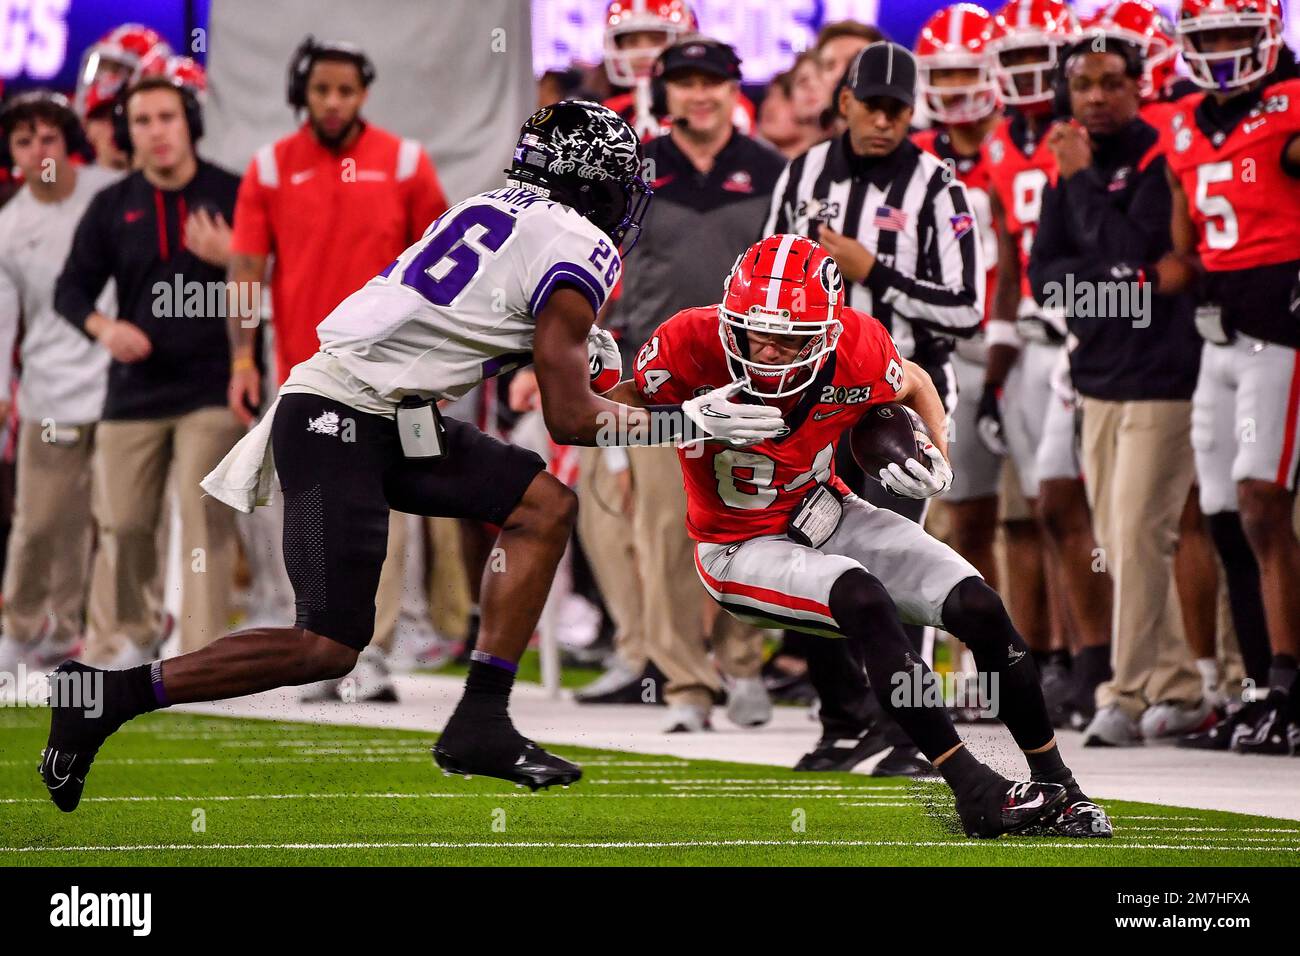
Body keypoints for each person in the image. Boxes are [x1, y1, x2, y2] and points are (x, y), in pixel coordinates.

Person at [39, 101, 786, 811]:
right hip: (342, 413)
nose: (624, 204)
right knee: (326, 646)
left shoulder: (484, 207)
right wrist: (684, 421)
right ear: (588, 185)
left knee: (543, 503)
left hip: (380, 411)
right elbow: (570, 420)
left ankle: (481, 722)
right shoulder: (577, 242)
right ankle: (108, 696)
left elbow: (477, 332)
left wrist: (562, 358)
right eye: (618, 186)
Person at [615, 232, 1110, 839]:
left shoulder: (857, 345)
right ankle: (973, 789)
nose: (767, 350)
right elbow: (599, 419)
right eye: (754, 331)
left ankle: (1061, 785)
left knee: (979, 606)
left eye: (788, 337)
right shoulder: (687, 342)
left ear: (825, 332)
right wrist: (681, 417)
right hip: (738, 545)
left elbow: (917, 382)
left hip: (828, 510)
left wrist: (938, 453)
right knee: (862, 596)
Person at [764, 40, 985, 774]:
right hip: (810, 393)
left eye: (898, 110)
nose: (884, 122)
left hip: (898, 397)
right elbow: (766, 274)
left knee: (895, 557)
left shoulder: (938, 186)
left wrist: (876, 273)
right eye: (872, 106)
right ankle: (844, 717)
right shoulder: (803, 172)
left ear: (912, 112)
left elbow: (966, 310)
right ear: (846, 102)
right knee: (801, 550)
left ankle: (909, 730)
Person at [227, 36, 449, 701]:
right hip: (307, 374)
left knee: (391, 507)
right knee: (309, 510)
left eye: (345, 91)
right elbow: (245, 272)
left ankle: (376, 651)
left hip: (394, 371)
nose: (332, 102)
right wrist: (241, 356)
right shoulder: (270, 168)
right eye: (321, 89)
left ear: (363, 94)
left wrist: (438, 363)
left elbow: (440, 268)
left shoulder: (406, 163)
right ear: (305, 91)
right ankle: (322, 647)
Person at [583, 38, 785, 730]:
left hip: (751, 380)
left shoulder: (771, 171)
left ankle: (745, 662)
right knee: (666, 527)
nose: (700, 94)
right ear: (663, 92)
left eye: (713, 82)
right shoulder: (632, 170)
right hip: (655, 378)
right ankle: (686, 687)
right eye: (685, 82)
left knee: (748, 527)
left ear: (736, 90)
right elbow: (596, 271)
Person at [1028, 33, 1208, 746]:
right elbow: (1047, 274)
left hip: (1164, 376)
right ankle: (1180, 685)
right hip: (1095, 377)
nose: (1095, 97)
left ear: (1140, 86)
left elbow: (1152, 264)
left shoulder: (1157, 162)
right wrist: (1119, 280)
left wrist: (1080, 196)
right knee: (1119, 537)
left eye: (1110, 82)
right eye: (1083, 84)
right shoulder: (1067, 171)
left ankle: (1124, 694)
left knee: (1135, 534)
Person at [53, 72, 242, 666]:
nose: (156, 132)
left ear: (191, 123)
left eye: (167, 117)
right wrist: (106, 329)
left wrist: (232, 258)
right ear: (127, 134)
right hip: (131, 396)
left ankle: (203, 654)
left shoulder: (234, 194)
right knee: (125, 526)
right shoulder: (112, 206)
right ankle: (130, 641)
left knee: (204, 522)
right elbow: (70, 290)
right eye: (141, 121)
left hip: (212, 387)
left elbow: (270, 292)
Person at [1156, 0, 1300, 754]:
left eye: (1232, 36)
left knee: (1261, 502)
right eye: (1206, 37)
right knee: (1216, 510)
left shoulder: (1292, 100)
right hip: (1217, 335)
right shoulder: (1180, 121)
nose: (1218, 51)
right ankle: (1253, 691)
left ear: (1268, 35)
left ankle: (1289, 686)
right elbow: (1185, 228)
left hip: (1281, 330)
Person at [978, 0, 1114, 728]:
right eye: (1016, 60)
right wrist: (995, 372)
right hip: (1030, 340)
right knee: (1048, 506)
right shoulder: (1003, 143)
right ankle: (1072, 662)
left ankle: (1100, 661)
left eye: (1041, 60)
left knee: (1077, 504)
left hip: (1088, 332)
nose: (1029, 76)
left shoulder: (1088, 134)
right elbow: (1006, 262)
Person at [0, 93, 118, 676]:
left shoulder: (110, 192)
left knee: (114, 521)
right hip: (48, 391)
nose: (39, 151)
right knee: (42, 522)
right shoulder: (9, 226)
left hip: (122, 388)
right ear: (13, 153)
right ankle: (19, 629)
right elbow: (1, 320)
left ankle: (75, 633)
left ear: (67, 139)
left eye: (49, 137)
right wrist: (2, 389)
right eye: (25, 141)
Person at [911, 3, 1004, 595]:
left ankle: (1064, 661)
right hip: (951, 346)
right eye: (941, 73)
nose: (954, 86)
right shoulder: (914, 154)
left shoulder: (1026, 145)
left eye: (965, 70)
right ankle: (987, 661)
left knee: (1049, 513)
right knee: (966, 513)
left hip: (1027, 342)